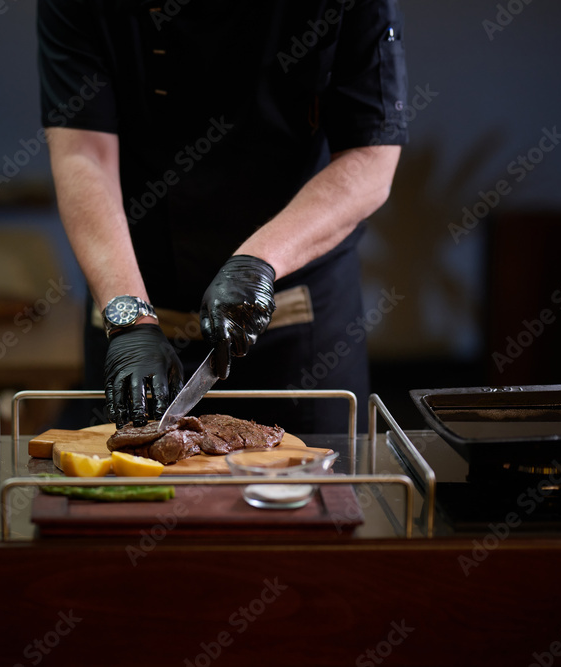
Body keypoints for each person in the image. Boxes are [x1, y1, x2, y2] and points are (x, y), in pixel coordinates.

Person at [38, 0, 408, 434]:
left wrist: (258, 261)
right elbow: (84, 154)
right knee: (126, 495)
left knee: (315, 495)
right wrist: (129, 315)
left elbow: (371, 159)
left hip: (295, 315)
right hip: (133, 304)